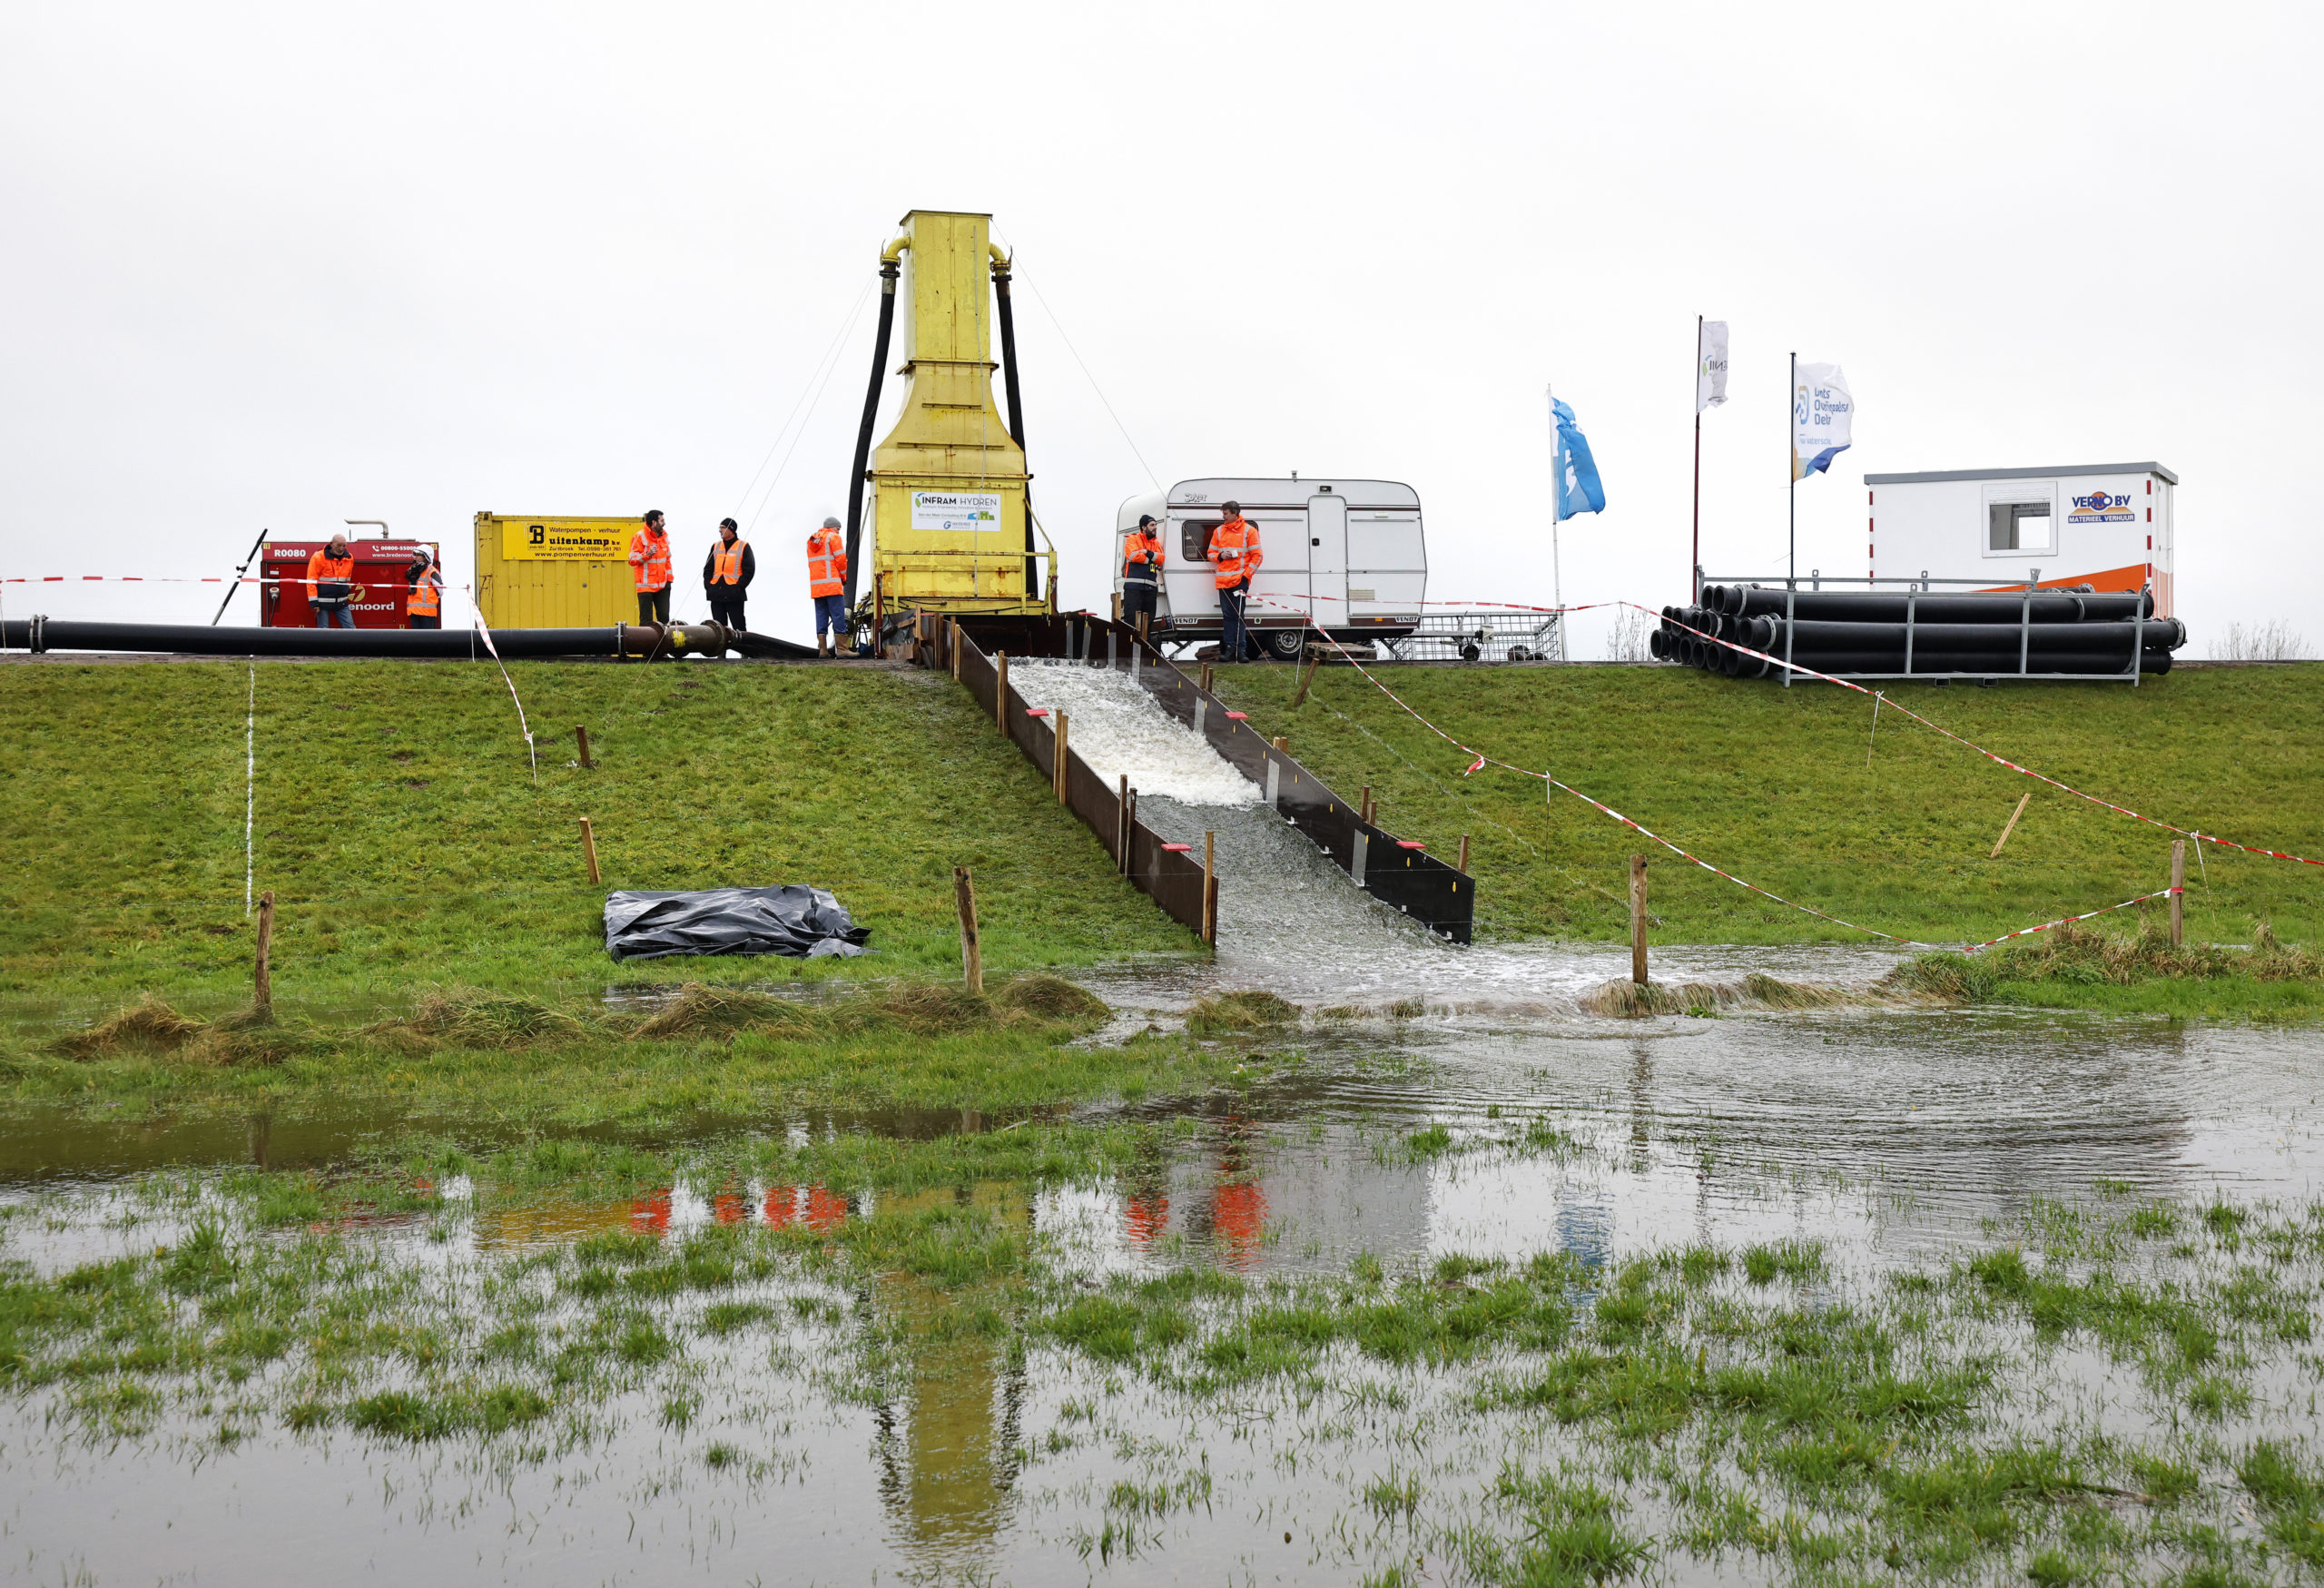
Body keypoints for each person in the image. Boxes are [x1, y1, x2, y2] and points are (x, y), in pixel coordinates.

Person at [1206, 499, 1263, 661]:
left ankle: (1241, 650)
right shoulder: (1218, 531)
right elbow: (1210, 553)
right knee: (1228, 616)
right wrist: (1219, 556)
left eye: (1225, 513)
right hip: (1223, 582)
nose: (1223, 516)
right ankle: (1230, 648)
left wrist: (1246, 576)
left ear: (1234, 513)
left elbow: (1258, 556)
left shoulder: (1249, 531)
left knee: (1238, 615)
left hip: (1239, 581)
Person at [702, 518, 753, 632]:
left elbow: (749, 571)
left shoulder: (743, 546)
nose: (720, 530)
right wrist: (708, 586)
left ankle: (743, 650)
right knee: (719, 632)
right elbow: (708, 569)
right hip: (716, 595)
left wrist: (738, 588)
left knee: (739, 630)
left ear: (731, 529)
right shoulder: (715, 546)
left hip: (734, 595)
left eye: (722, 527)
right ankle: (721, 651)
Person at [807, 515, 848, 657]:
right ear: (833, 527)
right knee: (838, 615)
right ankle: (842, 649)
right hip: (832, 585)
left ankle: (823, 650)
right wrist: (844, 577)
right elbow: (841, 560)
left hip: (817, 587)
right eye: (838, 528)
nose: (839, 531)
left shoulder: (812, 540)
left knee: (821, 616)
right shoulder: (833, 537)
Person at [1120, 513, 1165, 642]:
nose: (1155, 527)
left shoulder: (1155, 543)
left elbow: (1161, 559)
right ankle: (1130, 647)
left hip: (1150, 588)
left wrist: (1148, 553)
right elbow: (1133, 556)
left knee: (1149, 619)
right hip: (1134, 587)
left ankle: (1144, 647)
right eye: (1152, 525)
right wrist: (1152, 560)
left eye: (1155, 525)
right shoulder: (1133, 539)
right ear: (1143, 527)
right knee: (1131, 619)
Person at [305, 533, 359, 628]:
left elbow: (347, 580)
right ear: (331, 544)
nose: (341, 548)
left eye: (344, 545)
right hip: (322, 603)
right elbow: (311, 581)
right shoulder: (318, 557)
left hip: (342, 603)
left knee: (351, 630)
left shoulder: (349, 558)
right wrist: (314, 603)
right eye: (338, 545)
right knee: (323, 632)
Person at [629, 509, 674, 625]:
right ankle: (644, 642)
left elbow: (667, 560)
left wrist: (669, 580)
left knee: (664, 618)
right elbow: (632, 559)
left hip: (663, 585)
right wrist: (647, 554)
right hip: (645, 586)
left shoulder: (664, 538)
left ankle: (664, 643)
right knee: (646, 621)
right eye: (662, 520)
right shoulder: (639, 536)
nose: (664, 523)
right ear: (654, 522)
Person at [404, 545, 445, 629]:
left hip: (427, 613)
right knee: (416, 640)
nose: (415, 557)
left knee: (427, 640)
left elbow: (441, 592)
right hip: (414, 612)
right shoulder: (414, 571)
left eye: (418, 555)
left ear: (426, 557)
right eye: (415, 554)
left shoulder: (432, 572)